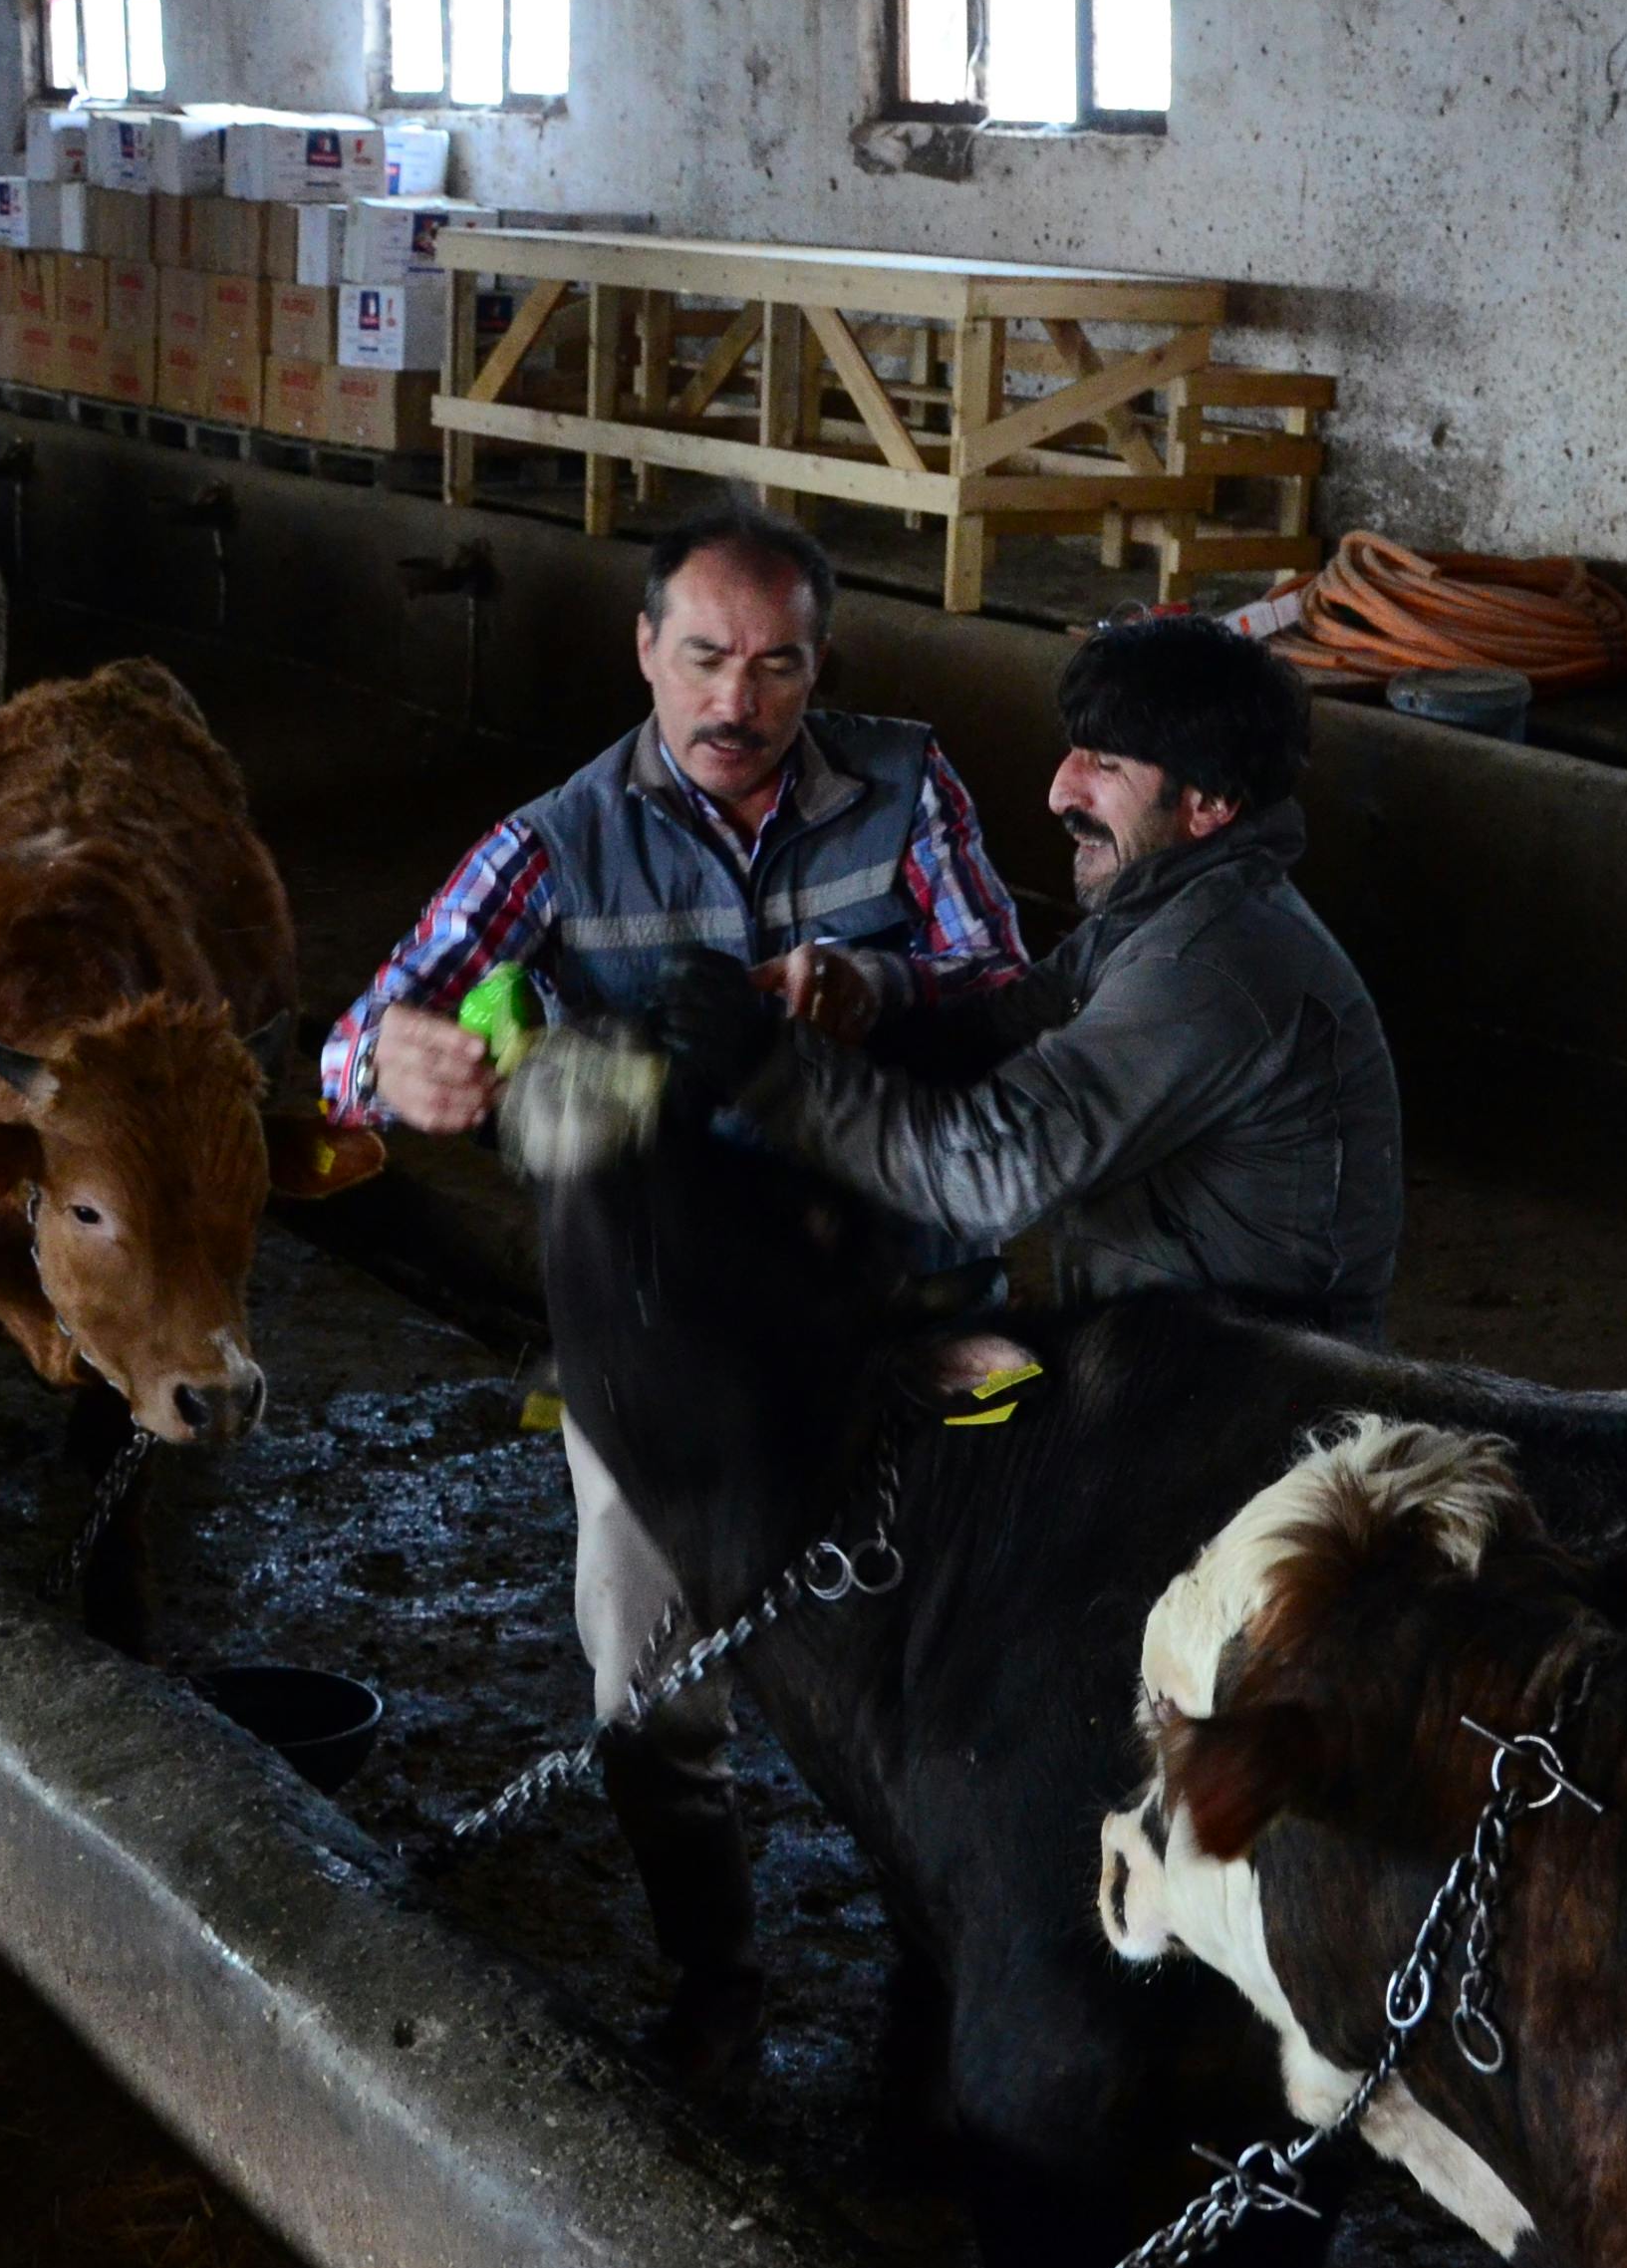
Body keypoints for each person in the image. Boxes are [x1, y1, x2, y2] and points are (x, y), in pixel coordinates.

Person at [324, 503, 1023, 2085]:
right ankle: (717, 1981)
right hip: (667, 1342)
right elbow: (357, 1037)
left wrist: (879, 983)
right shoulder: (553, 840)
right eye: (703, 658)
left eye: (776, 668)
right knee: (643, 1672)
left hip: (895, 1312)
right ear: (643, 649)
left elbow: (1007, 988)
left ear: (821, 667)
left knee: (940, 1673)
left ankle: (932, 2002)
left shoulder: (909, 787)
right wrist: (390, 1064)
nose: (735, 701)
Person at [675, 613, 1402, 1342]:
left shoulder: (1206, 967)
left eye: (1106, 765)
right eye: (1075, 753)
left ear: (1209, 804)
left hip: (1254, 1393)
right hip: (1170, 1349)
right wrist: (868, 999)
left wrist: (772, 1069)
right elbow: (1005, 1026)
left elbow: (993, 1171)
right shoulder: (1164, 912)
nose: (1059, 792)